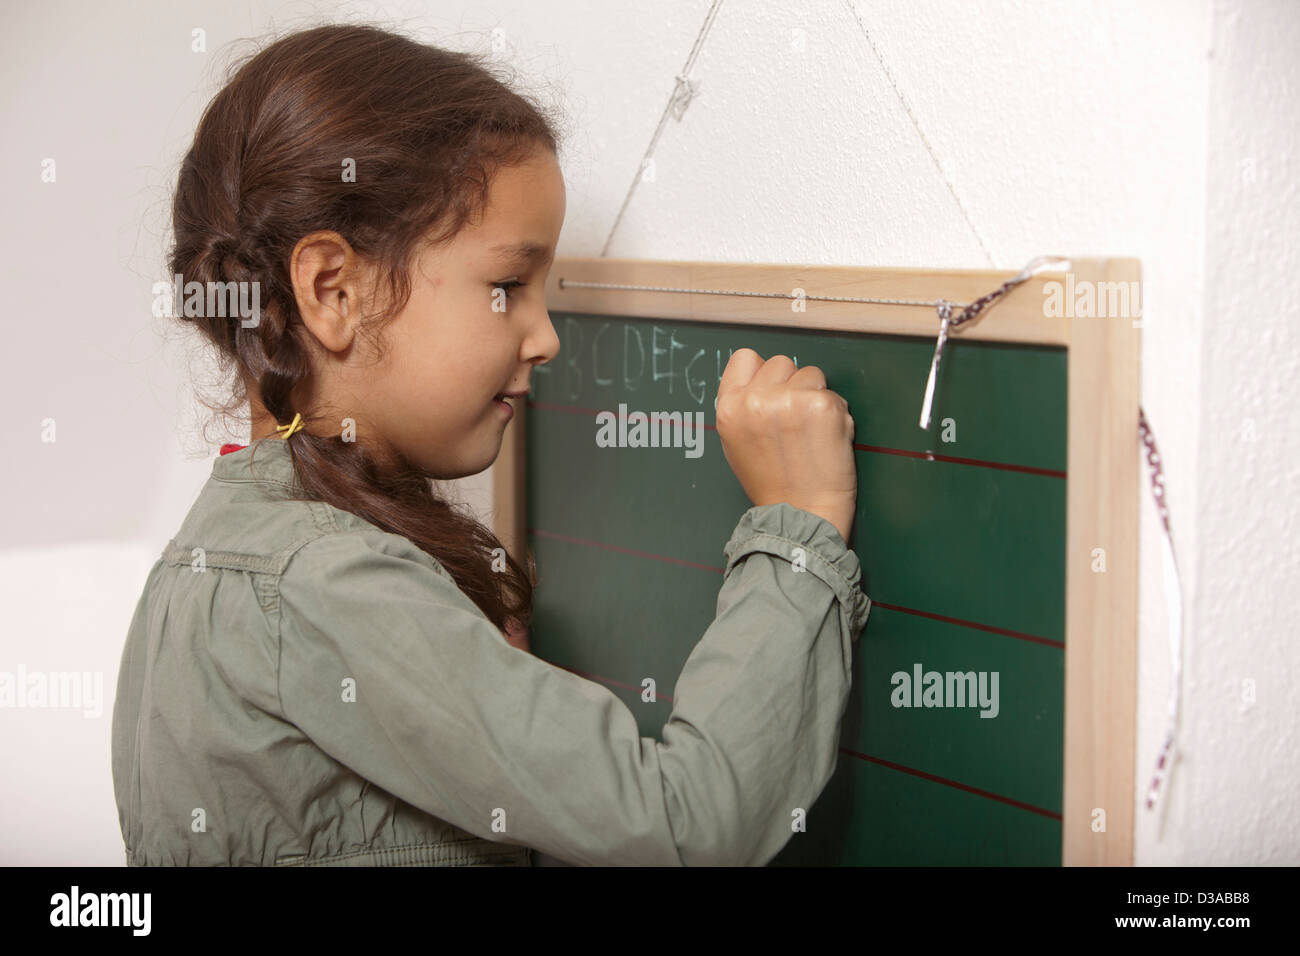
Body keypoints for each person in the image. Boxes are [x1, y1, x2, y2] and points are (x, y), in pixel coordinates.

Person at [111, 22, 871, 867]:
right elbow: (684, 826)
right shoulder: (331, 585)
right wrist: (796, 530)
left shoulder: (216, 559)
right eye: (508, 285)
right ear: (334, 291)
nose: (545, 337)